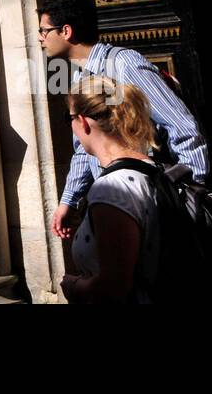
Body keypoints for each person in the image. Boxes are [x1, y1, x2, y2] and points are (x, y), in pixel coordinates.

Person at [38, 0, 208, 241]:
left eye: (44, 30)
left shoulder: (124, 64)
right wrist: (69, 200)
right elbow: (85, 150)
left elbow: (182, 126)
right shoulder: (79, 77)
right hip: (115, 201)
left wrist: (189, 191)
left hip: (153, 202)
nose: (41, 38)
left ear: (66, 31)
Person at [60, 75, 163, 303]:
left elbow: (112, 288)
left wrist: (73, 286)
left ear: (83, 122)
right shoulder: (152, 169)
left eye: (69, 119)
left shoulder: (111, 190)